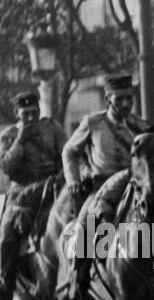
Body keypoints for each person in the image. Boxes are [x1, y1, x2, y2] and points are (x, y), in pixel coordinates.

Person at [0, 91, 67, 292]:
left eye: (34, 112)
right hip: (20, 193)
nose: (31, 118)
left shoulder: (53, 129)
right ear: (16, 113)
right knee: (6, 234)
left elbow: (68, 157)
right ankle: (4, 279)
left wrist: (59, 177)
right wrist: (20, 141)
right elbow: (6, 167)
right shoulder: (9, 135)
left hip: (52, 187)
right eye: (25, 114)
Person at [61, 74, 146, 215]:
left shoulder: (141, 126)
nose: (125, 104)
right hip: (102, 189)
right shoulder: (93, 123)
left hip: (136, 188)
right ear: (108, 99)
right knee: (83, 229)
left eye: (129, 98)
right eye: (119, 99)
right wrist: (73, 180)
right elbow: (69, 151)